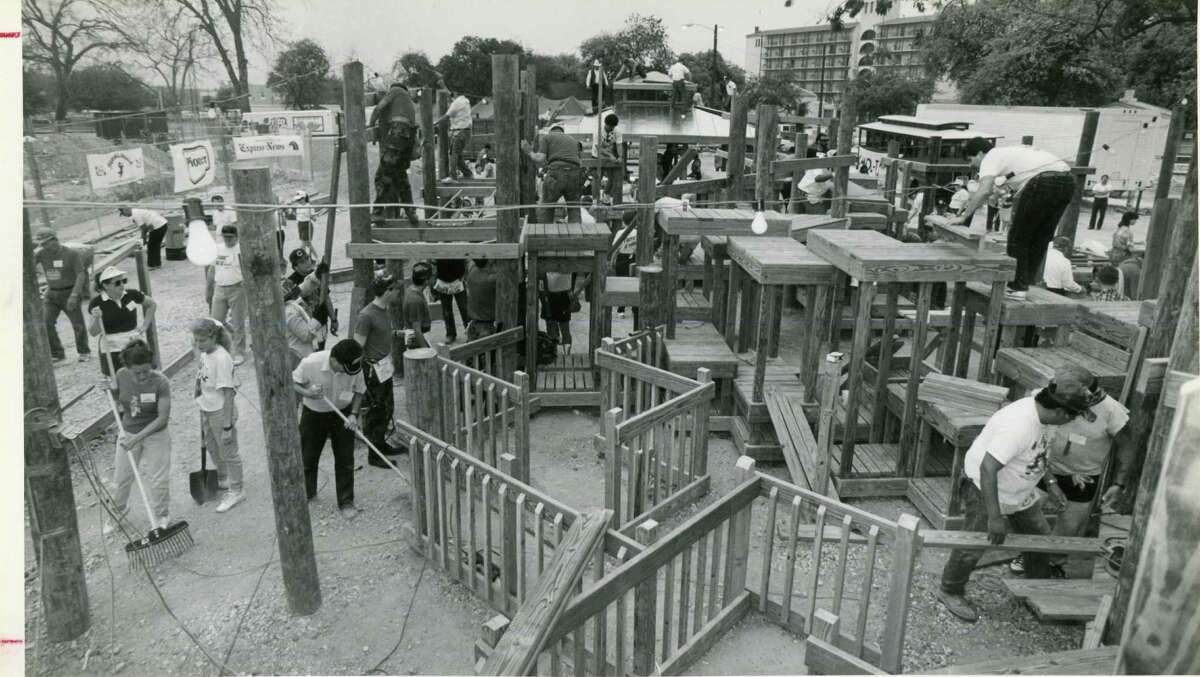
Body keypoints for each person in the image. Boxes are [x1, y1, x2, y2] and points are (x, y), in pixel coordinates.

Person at [936, 372, 1088, 622]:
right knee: (973, 545)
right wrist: (995, 517)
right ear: (1061, 411)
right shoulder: (1018, 426)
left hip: (1019, 490)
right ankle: (949, 589)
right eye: (1071, 416)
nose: (1070, 421)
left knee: (1039, 539)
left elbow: (1038, 452)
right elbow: (988, 468)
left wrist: (1050, 483)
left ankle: (1036, 591)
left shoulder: (1046, 414)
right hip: (984, 488)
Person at [1009, 366, 1133, 575]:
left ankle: (1053, 562)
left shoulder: (1113, 411)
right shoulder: (1050, 397)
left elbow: (1127, 447)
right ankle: (1029, 552)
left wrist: (1118, 483)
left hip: (1082, 477)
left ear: (1084, 389)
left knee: (1069, 527)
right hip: (1043, 468)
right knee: (1024, 512)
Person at [950, 138, 1074, 300]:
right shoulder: (1011, 153)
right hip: (1068, 181)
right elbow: (993, 192)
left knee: (1018, 237)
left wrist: (963, 217)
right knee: (1040, 236)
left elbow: (984, 190)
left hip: (1043, 182)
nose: (971, 165)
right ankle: (1025, 283)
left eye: (971, 159)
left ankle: (1017, 287)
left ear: (980, 153)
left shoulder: (991, 156)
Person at [101, 339, 172, 535]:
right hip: (128, 432)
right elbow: (118, 398)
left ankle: (161, 515)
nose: (141, 376)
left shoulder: (161, 382)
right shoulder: (122, 375)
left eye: (145, 371)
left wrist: (137, 438)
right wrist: (107, 390)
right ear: (128, 368)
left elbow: (163, 418)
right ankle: (118, 511)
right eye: (137, 372)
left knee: (158, 478)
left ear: (151, 365)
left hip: (155, 434)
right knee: (121, 478)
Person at [292, 339, 366, 519]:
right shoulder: (311, 363)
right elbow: (292, 382)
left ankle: (346, 501)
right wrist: (308, 393)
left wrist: (354, 414)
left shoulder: (353, 367)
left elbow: (359, 391)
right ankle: (307, 493)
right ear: (334, 361)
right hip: (314, 414)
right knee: (308, 456)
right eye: (343, 369)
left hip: (343, 413)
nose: (348, 373)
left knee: (345, 458)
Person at [192, 318, 244, 513]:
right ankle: (224, 478)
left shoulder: (222, 358)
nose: (198, 344)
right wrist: (201, 403)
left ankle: (237, 489)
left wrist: (227, 426)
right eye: (196, 340)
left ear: (213, 337)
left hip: (221, 411)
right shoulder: (205, 353)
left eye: (202, 340)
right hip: (206, 407)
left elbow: (229, 394)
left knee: (229, 451)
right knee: (213, 448)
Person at [354, 273, 406, 464]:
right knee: (376, 410)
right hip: (373, 370)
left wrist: (398, 334)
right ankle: (374, 454)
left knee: (387, 408)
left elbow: (382, 334)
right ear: (387, 292)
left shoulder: (384, 310)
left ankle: (381, 443)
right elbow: (357, 346)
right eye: (395, 289)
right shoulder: (366, 316)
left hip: (384, 367)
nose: (398, 292)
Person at [33, 228, 92, 363]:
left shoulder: (71, 254)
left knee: (77, 324)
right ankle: (57, 353)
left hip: (69, 293)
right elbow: (28, 264)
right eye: (41, 244)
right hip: (51, 294)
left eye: (46, 243)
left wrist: (74, 295)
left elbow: (81, 274)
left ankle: (84, 351)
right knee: (46, 322)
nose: (43, 246)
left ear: (54, 240)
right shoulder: (42, 254)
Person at [368, 80, 421, 227]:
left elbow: (379, 108)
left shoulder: (395, 91)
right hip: (407, 140)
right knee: (400, 177)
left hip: (398, 135)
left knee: (383, 175)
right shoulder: (407, 100)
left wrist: (370, 126)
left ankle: (378, 213)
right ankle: (411, 213)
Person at [88, 266, 157, 376]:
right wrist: (96, 318)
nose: (122, 285)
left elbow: (151, 304)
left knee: (141, 374)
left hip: (133, 343)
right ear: (105, 286)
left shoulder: (131, 294)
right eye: (117, 283)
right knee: (116, 378)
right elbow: (93, 332)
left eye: (123, 281)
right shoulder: (97, 303)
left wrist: (145, 326)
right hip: (111, 346)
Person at [521, 125, 584, 224]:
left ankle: (544, 235)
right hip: (575, 174)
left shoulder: (547, 137)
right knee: (574, 208)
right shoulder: (573, 140)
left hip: (556, 173)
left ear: (551, 132)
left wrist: (529, 151)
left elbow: (540, 158)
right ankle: (576, 235)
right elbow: (575, 160)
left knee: (547, 207)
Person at [210, 225, 247, 365]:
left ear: (236, 236)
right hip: (219, 287)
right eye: (225, 237)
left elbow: (246, 270)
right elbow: (212, 269)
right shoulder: (218, 248)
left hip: (237, 288)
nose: (228, 240)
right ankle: (220, 349)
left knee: (238, 321)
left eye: (230, 237)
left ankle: (239, 351)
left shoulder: (240, 249)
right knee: (216, 321)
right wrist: (209, 289)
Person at [288, 248, 335, 347]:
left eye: (307, 258)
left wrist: (333, 319)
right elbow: (298, 294)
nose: (307, 262)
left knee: (321, 349)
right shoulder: (290, 282)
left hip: (322, 322)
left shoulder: (317, 273)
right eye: (302, 262)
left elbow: (326, 297)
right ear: (295, 267)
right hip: (306, 326)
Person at [283, 276, 325, 369]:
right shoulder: (290, 312)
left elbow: (301, 289)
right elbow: (306, 336)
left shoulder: (288, 305)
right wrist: (317, 320)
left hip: (299, 354)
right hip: (299, 356)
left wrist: (316, 274)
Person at [435, 86, 474, 180]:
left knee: (454, 154)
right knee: (458, 155)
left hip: (460, 131)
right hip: (465, 132)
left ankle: (453, 177)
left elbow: (446, 116)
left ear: (456, 93)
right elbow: (450, 95)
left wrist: (434, 123)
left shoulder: (456, 103)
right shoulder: (464, 100)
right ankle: (468, 174)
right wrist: (443, 85)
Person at [433, 259, 470, 343]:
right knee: (446, 311)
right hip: (443, 280)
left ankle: (470, 332)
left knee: (464, 309)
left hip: (458, 280)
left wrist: (464, 276)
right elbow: (432, 261)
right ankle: (450, 334)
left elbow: (465, 259)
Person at [540, 271, 575, 354]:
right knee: (552, 328)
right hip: (550, 293)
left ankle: (565, 355)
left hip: (562, 293)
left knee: (563, 328)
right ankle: (553, 353)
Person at [594, 113, 623, 203]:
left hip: (610, 156)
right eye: (609, 126)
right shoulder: (598, 132)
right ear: (605, 124)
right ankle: (595, 199)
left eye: (613, 127)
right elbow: (598, 148)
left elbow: (619, 145)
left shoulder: (617, 131)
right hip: (597, 155)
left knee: (613, 177)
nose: (611, 128)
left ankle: (607, 194)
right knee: (597, 177)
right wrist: (610, 156)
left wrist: (620, 156)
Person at [466, 258, 497, 340]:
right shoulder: (491, 279)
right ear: (490, 260)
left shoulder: (472, 269)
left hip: (474, 324)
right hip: (487, 327)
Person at [293, 191, 318, 259]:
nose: (298, 201)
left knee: (303, 245)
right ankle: (316, 258)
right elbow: (297, 216)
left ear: (304, 198)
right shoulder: (298, 206)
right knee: (308, 244)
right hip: (300, 225)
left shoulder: (309, 206)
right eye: (297, 200)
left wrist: (312, 216)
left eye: (299, 199)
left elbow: (315, 219)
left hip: (307, 225)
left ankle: (299, 258)